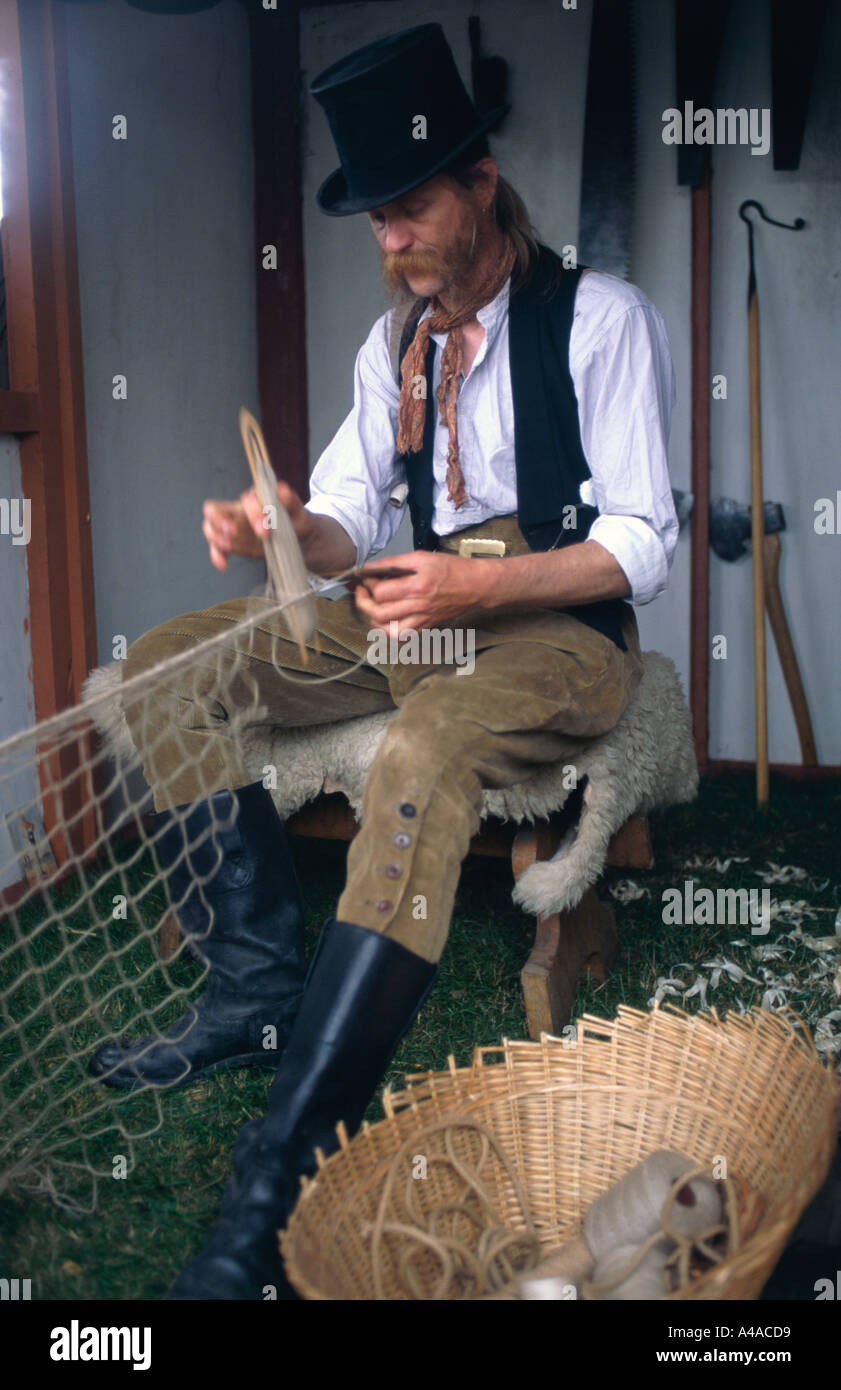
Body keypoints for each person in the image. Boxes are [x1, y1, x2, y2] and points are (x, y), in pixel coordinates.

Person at [89, 23, 678, 1298]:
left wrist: (478, 580)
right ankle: (253, 991)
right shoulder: (390, 347)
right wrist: (278, 526)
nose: (390, 238)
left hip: (562, 631)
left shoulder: (601, 319)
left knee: (425, 745)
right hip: (419, 610)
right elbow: (351, 518)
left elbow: (642, 542)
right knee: (165, 668)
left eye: (409, 206)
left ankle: (286, 1155)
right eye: (370, 218)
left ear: (477, 185)